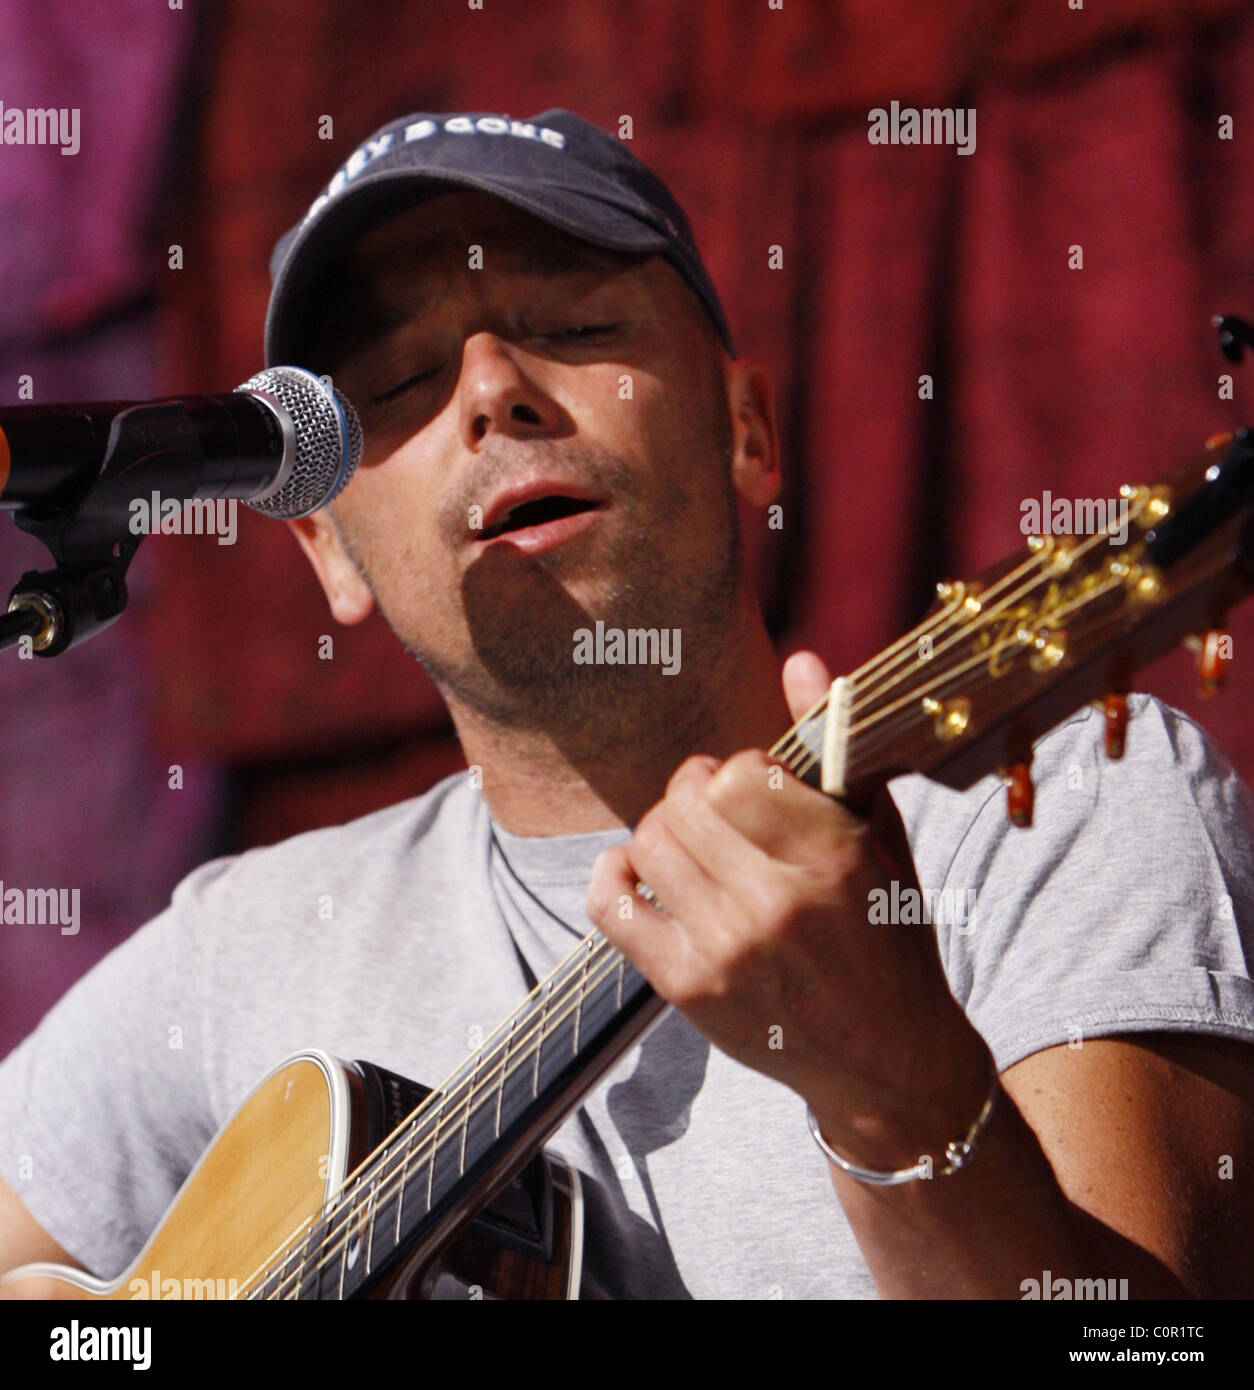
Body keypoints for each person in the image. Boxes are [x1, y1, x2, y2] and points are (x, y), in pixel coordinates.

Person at [1, 107, 1253, 1300]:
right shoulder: (243, 949)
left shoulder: (1063, 797)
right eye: (397, 384)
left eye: (575, 325)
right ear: (330, 550)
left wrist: (901, 1097)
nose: (493, 389)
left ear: (747, 427)